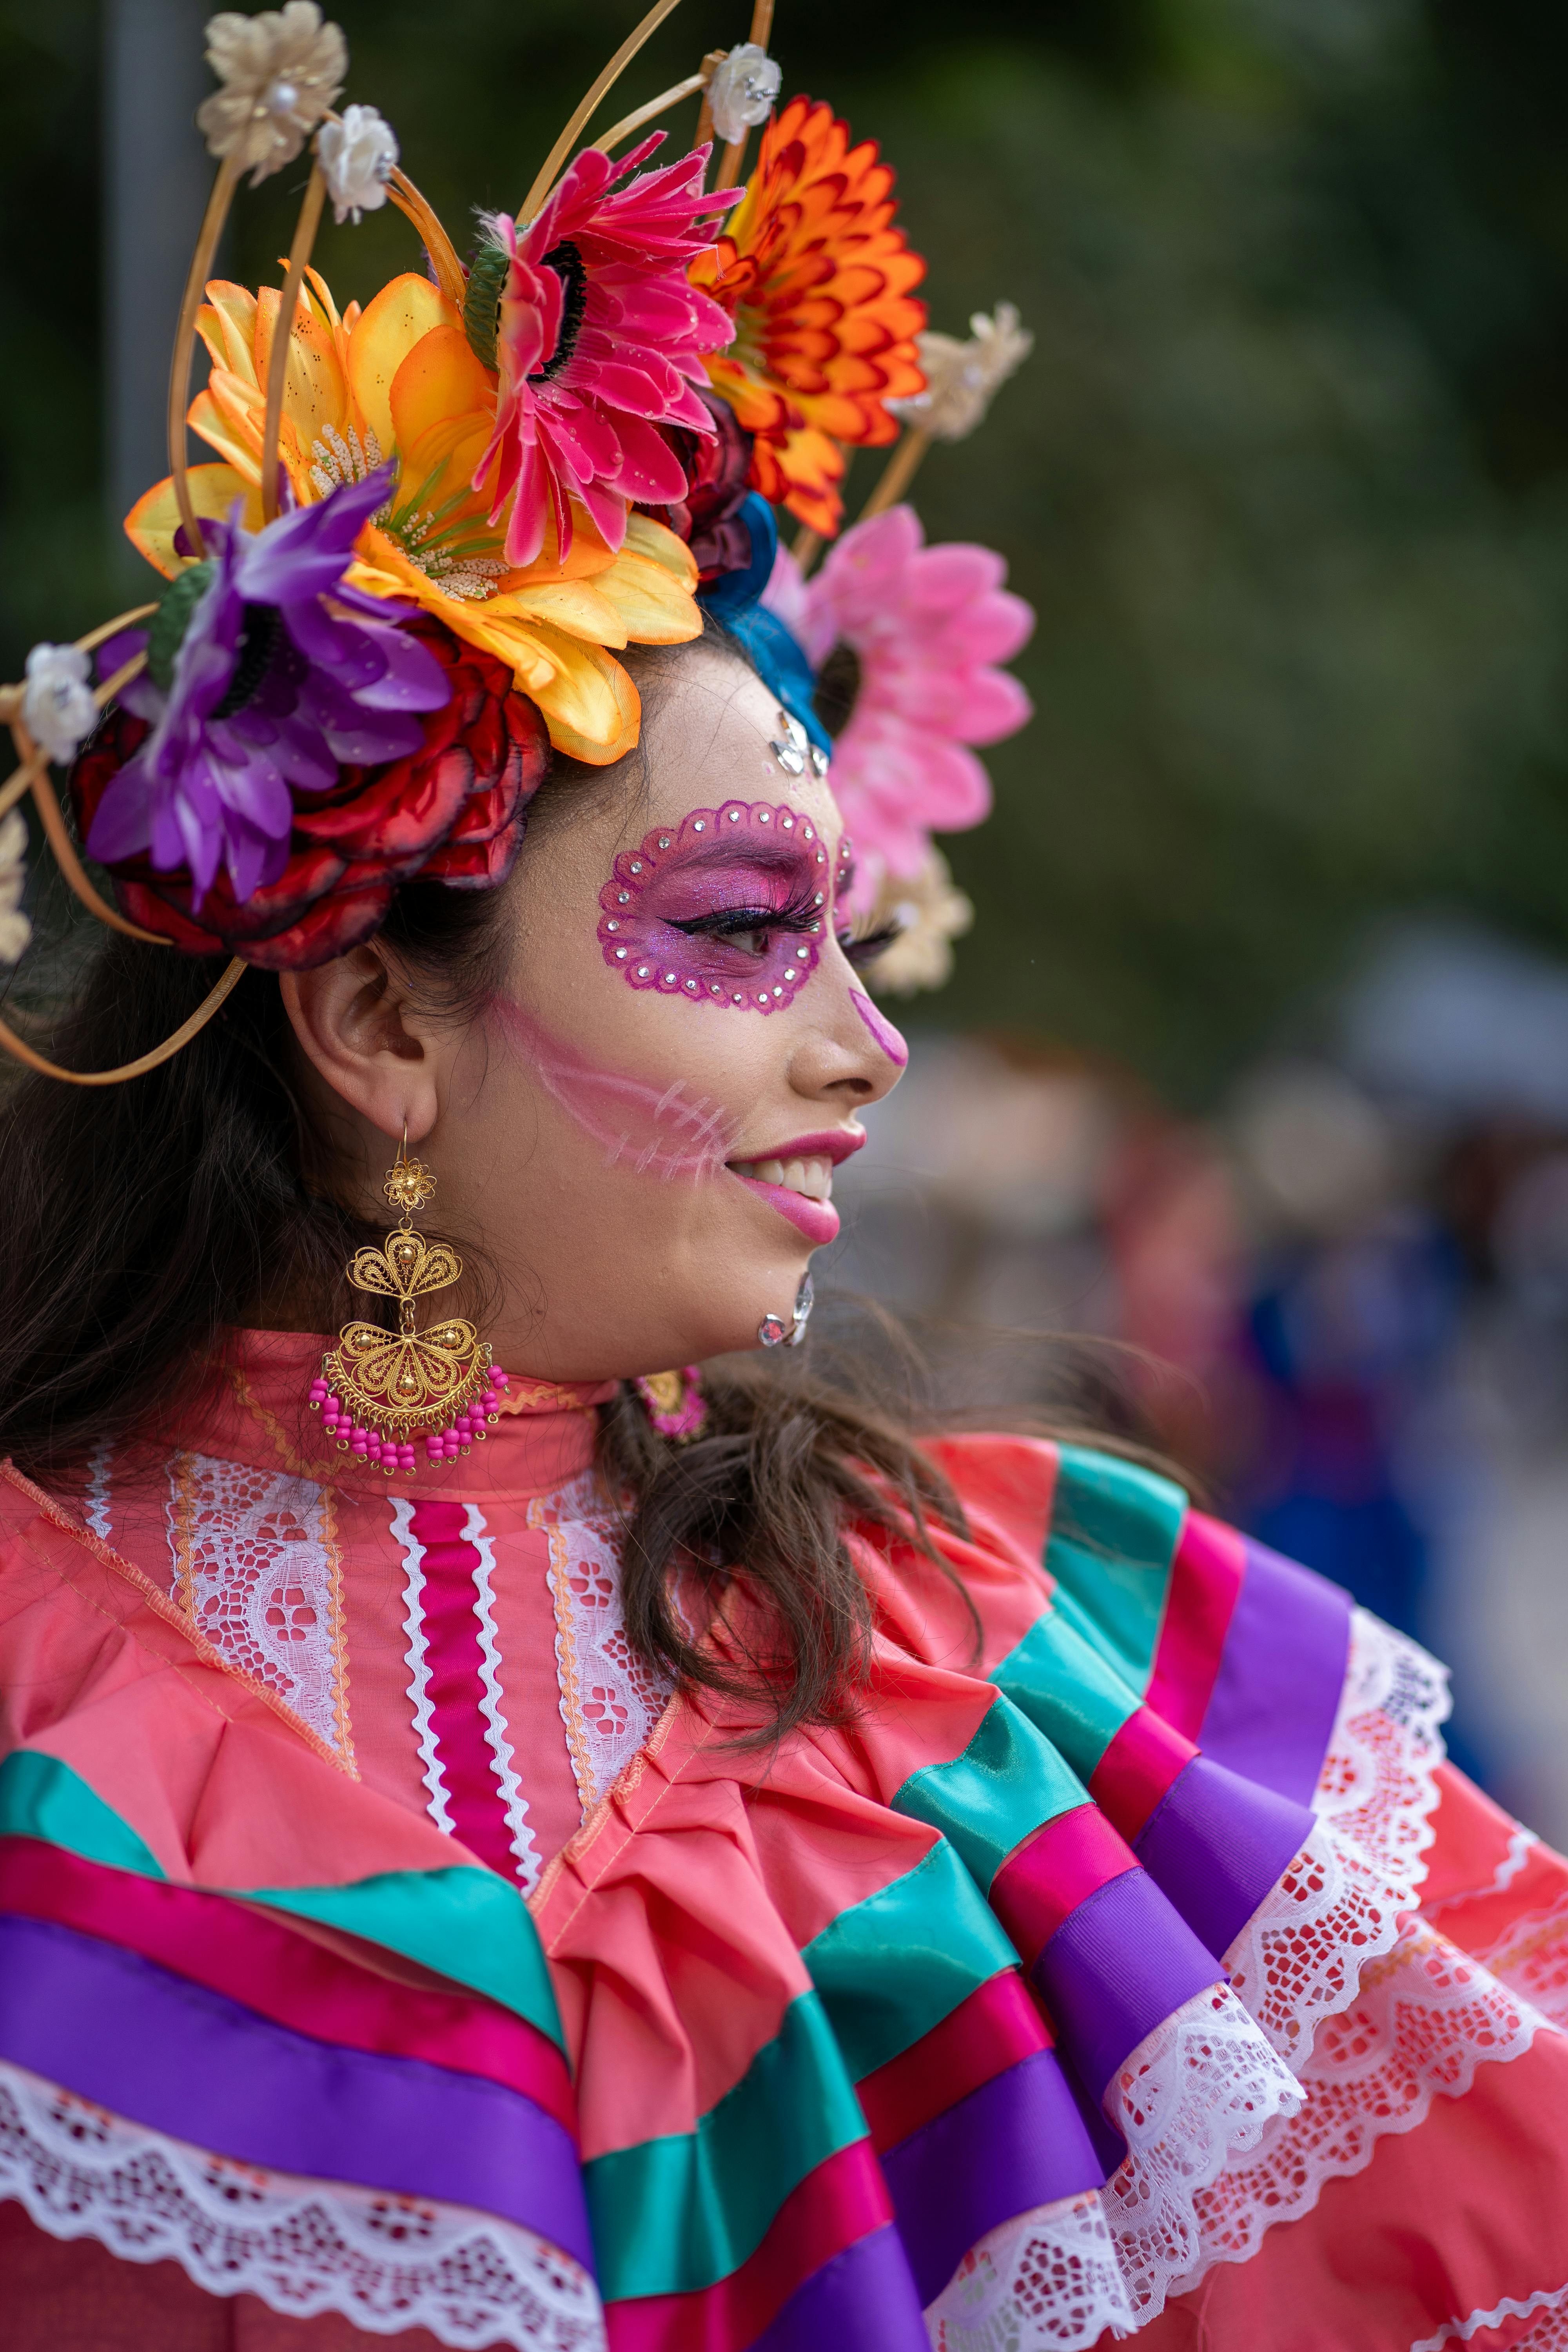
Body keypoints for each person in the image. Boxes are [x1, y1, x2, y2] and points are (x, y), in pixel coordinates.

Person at [1, 9, 1565, 2349]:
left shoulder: (1013, 1661)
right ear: (381, 1025)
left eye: (845, 929)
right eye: (742, 929)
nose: (868, 1040)